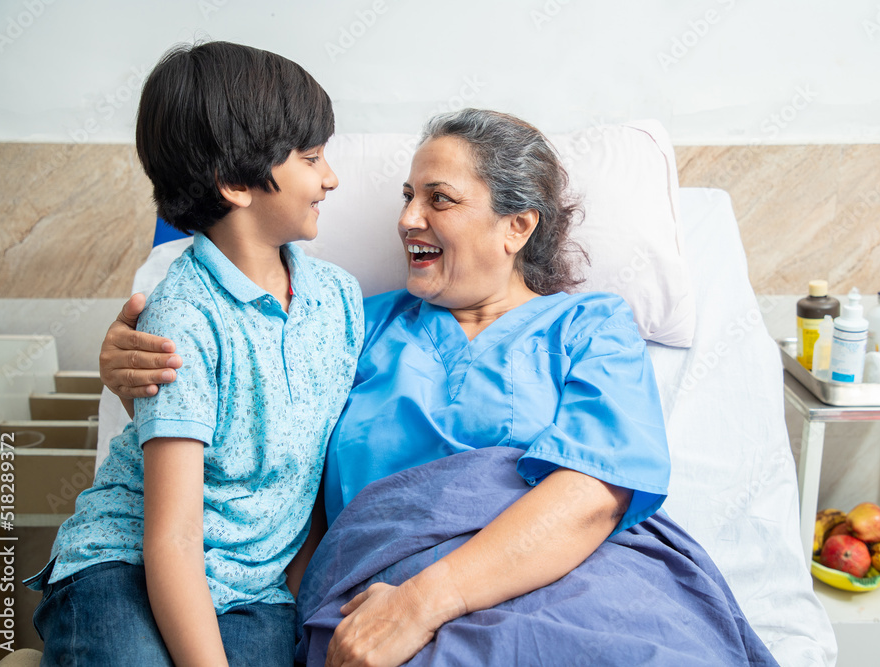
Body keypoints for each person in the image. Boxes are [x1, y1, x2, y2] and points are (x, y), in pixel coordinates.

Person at [101, 109, 778, 666]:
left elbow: (594, 494)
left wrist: (424, 601)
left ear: (518, 226)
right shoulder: (347, 323)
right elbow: (247, 426)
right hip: (375, 599)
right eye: (407, 197)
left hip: (581, 585)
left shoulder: (591, 325)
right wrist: (137, 369)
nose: (408, 219)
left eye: (439, 200)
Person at [27, 42, 362, 666]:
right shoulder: (182, 315)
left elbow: (314, 475)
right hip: (127, 566)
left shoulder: (339, 301)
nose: (331, 177)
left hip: (255, 592)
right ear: (236, 183)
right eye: (312, 158)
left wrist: (301, 592)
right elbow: (173, 538)